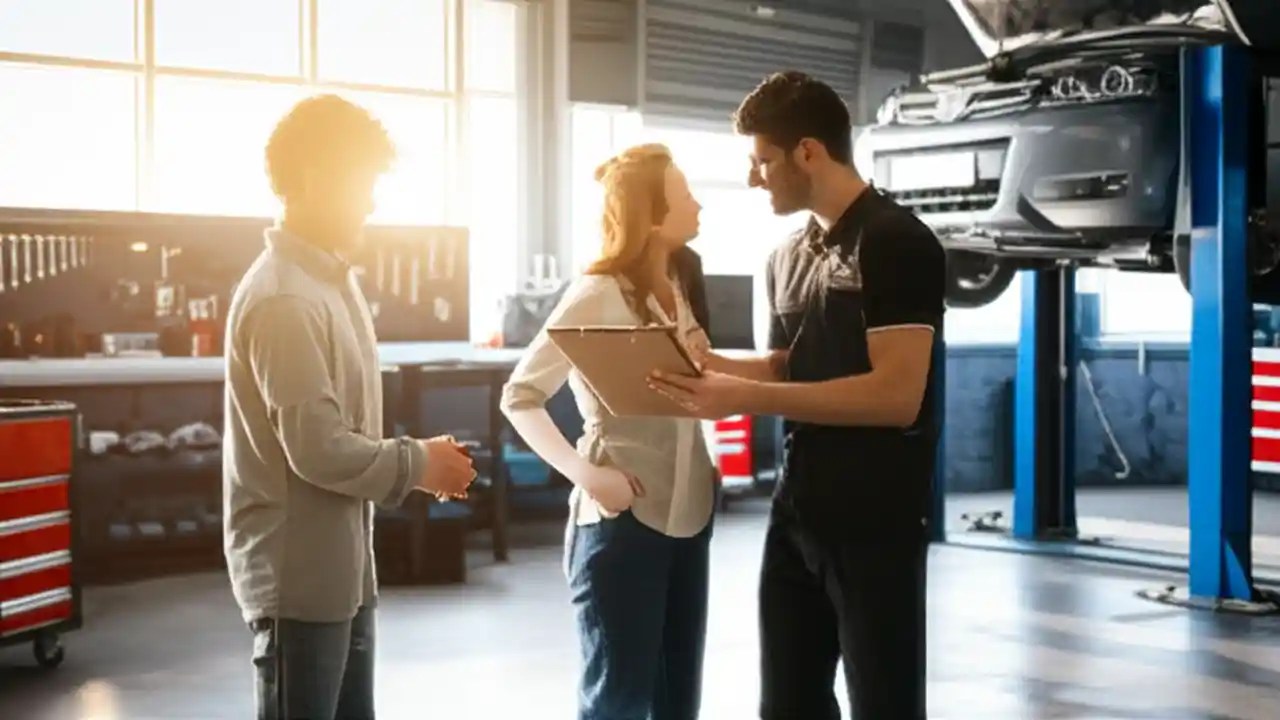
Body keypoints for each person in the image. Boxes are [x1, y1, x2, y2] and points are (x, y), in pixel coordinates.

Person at [649, 71, 946, 720]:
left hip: (877, 518)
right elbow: (789, 366)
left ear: (808, 152)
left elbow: (896, 396)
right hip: (797, 509)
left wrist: (743, 398)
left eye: (762, 162)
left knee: (884, 705)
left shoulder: (897, 243)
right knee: (786, 704)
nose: (754, 178)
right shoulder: (786, 255)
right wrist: (703, 363)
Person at [222, 93, 477, 720]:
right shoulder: (285, 300)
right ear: (313, 179)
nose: (370, 201)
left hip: (343, 571)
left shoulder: (332, 285)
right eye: (361, 181)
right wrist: (418, 464)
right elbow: (317, 446)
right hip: (299, 581)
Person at [501, 143, 718, 720]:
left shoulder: (680, 282)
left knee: (679, 703)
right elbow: (520, 396)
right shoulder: (596, 293)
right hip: (623, 526)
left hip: (690, 516)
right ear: (649, 213)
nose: (697, 204)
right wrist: (587, 473)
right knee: (617, 703)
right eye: (684, 195)